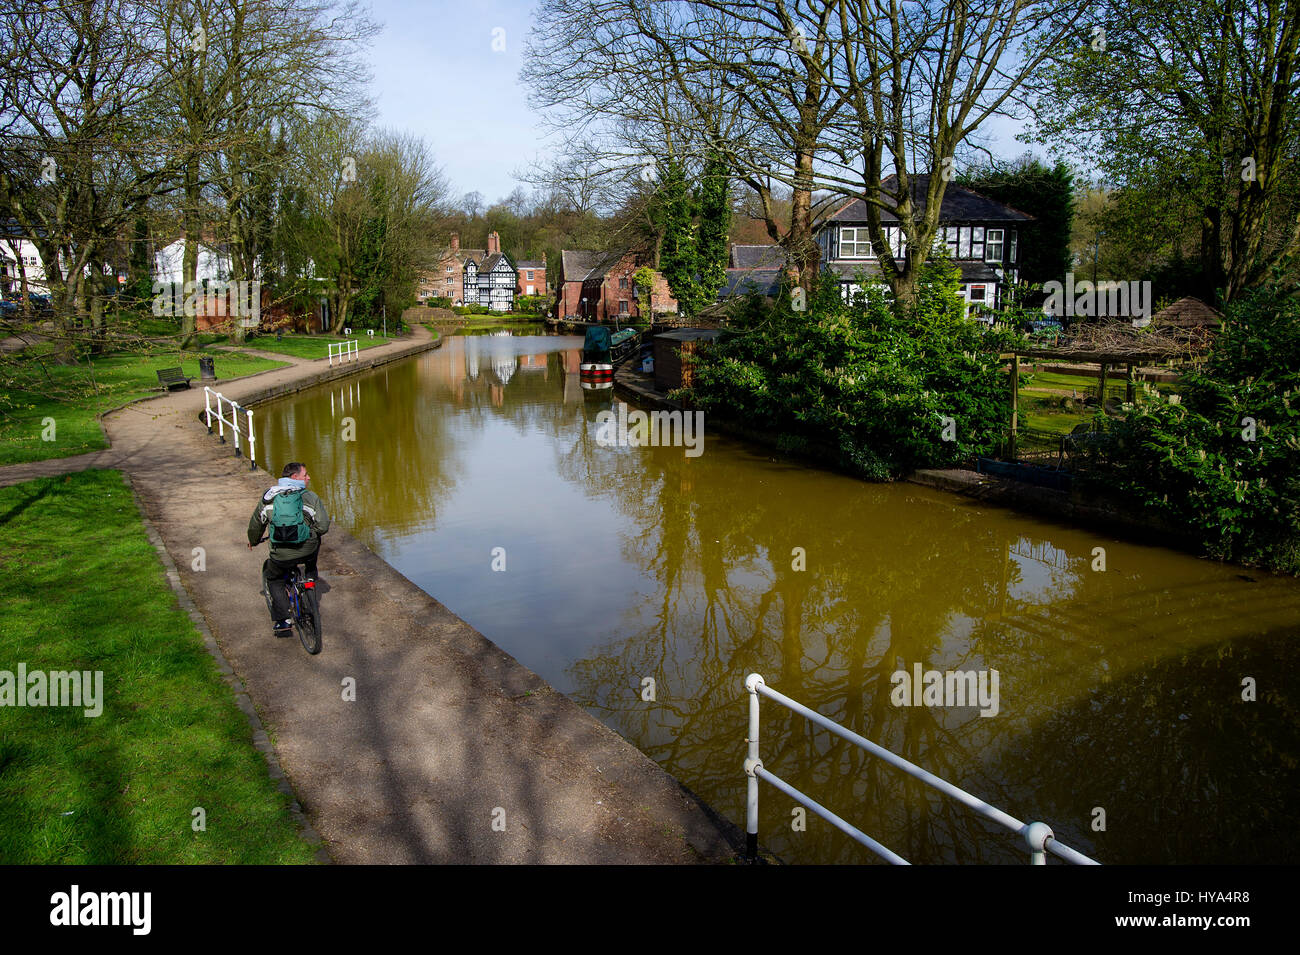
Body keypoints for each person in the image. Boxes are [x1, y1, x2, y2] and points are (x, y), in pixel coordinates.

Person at [248, 462, 330, 635]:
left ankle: (283, 621)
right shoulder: (310, 497)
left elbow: (256, 525)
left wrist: (253, 541)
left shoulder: (269, 497)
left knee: (274, 578)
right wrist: (309, 533)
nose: (308, 478)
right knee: (315, 538)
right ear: (294, 477)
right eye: (305, 475)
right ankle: (310, 573)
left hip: (281, 554)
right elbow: (323, 526)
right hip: (307, 550)